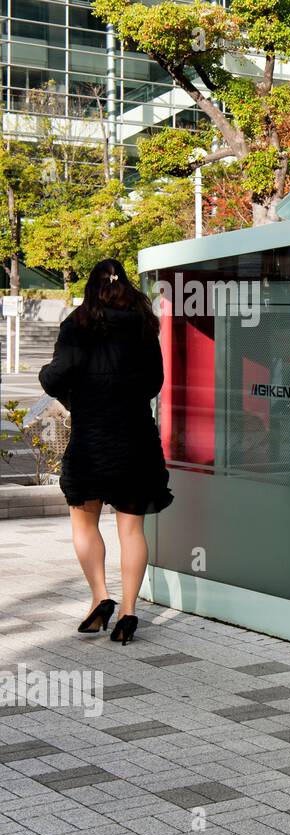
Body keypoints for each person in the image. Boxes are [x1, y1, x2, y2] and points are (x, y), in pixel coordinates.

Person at [39, 259, 173, 645]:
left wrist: (49, 377)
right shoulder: (145, 326)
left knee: (84, 522)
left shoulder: (78, 325)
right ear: (125, 286)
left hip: (91, 440)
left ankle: (100, 596)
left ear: (92, 287)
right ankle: (130, 612)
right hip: (136, 439)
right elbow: (154, 382)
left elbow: (56, 375)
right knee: (131, 528)